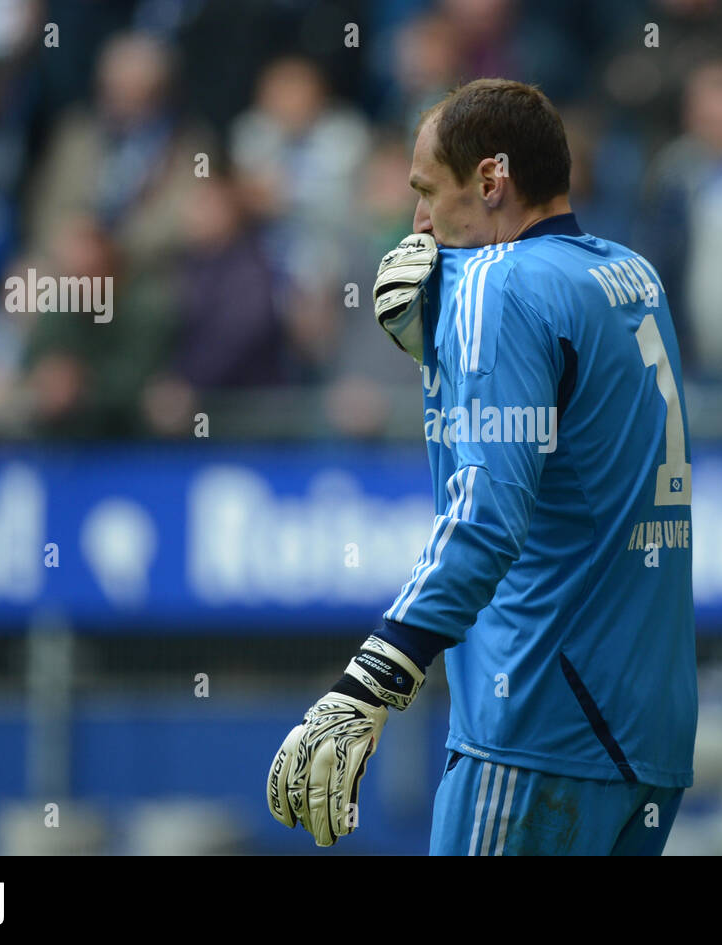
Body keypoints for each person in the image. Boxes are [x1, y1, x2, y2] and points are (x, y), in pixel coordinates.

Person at [267, 78, 698, 855]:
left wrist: (371, 681)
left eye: (429, 192)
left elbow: (484, 517)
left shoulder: (497, 286)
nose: (418, 221)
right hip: (647, 737)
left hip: (536, 719)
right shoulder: (629, 272)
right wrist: (441, 344)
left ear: (492, 180)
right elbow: (567, 433)